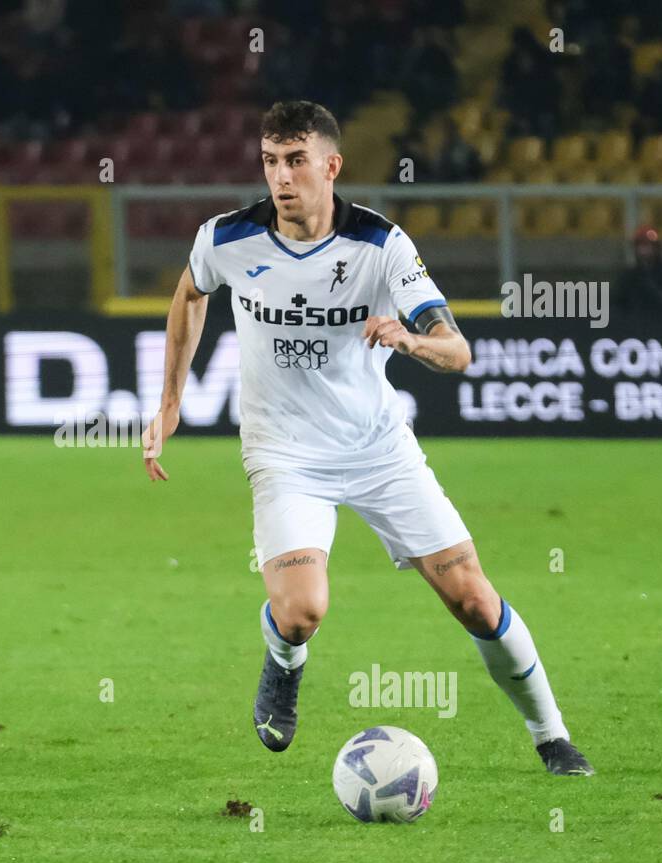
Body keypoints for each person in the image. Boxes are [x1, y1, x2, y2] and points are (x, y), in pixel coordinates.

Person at [142, 100, 594, 776]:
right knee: (301, 612)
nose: (281, 178)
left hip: (378, 450)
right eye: (270, 162)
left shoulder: (381, 246)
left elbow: (458, 350)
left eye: (295, 161)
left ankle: (552, 736)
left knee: (471, 596)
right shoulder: (226, 238)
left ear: (331, 165)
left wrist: (411, 339)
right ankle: (284, 662)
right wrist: (170, 402)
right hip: (284, 453)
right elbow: (190, 296)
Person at [612, 225, 662, 315]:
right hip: (635, 326)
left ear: (657, 248)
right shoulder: (628, 278)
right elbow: (618, 305)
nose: (644, 250)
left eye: (648, 245)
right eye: (641, 246)